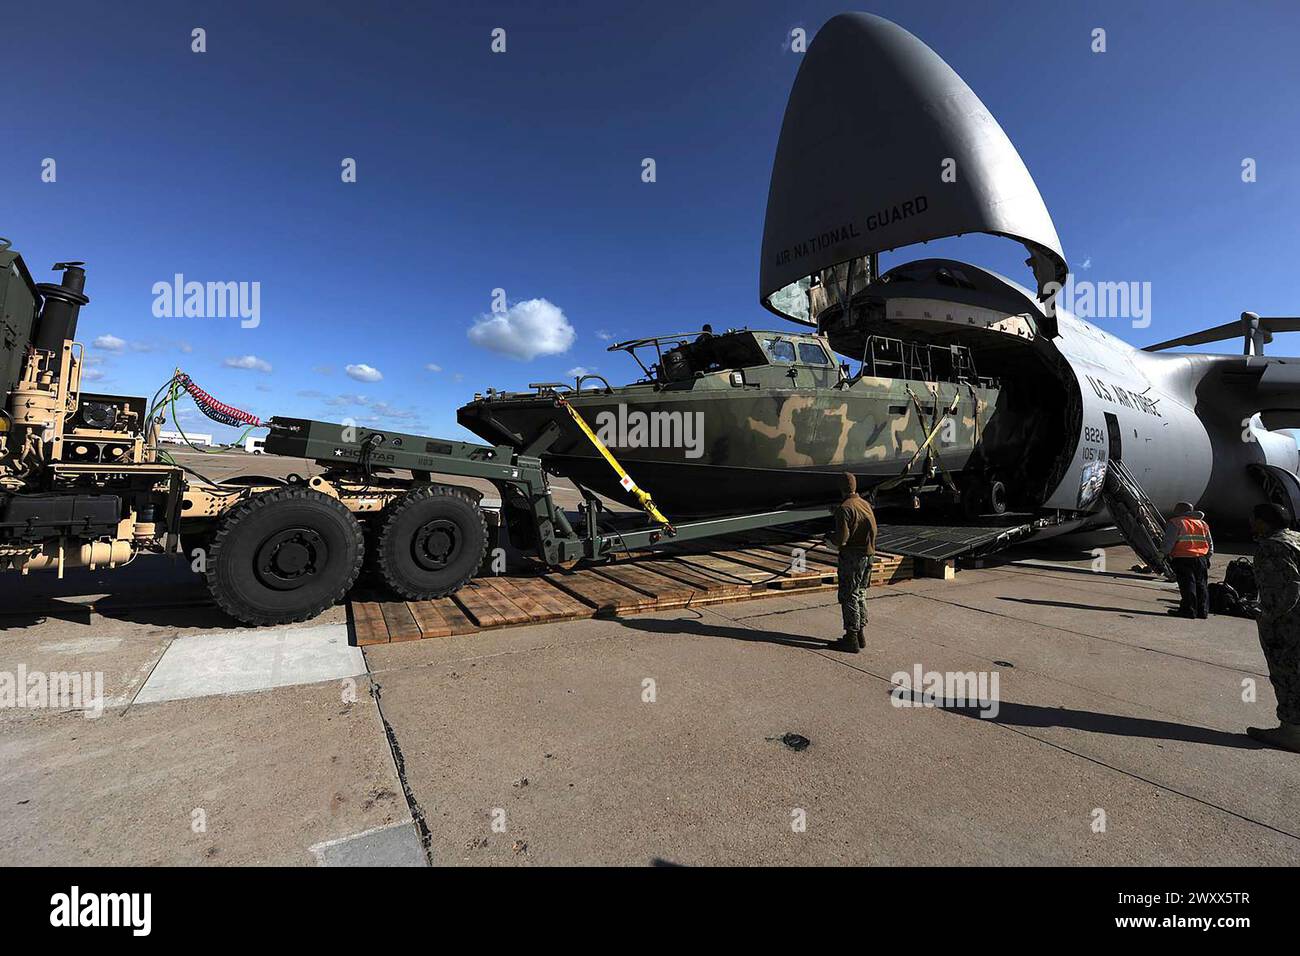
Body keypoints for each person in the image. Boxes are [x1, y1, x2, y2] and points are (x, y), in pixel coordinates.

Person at [1247, 503, 1300, 753]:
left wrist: (1266, 615)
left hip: (1288, 627)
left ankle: (1291, 731)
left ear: (1262, 522)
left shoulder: (1272, 547)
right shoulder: (1296, 539)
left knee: (1288, 674)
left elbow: (1286, 590)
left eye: (1254, 519)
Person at [827, 472, 877, 653]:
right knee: (861, 593)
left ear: (841, 488)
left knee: (849, 595)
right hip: (868, 555)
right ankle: (860, 633)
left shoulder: (845, 508)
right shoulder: (864, 504)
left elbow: (842, 538)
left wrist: (830, 539)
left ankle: (851, 638)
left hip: (853, 558)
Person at [1161, 501, 1212, 618]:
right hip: (1201, 559)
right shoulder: (1202, 523)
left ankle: (1188, 610)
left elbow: (1169, 542)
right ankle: (1202, 611)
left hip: (1183, 558)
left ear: (1179, 511)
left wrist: (1162, 554)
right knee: (1202, 585)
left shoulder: (1177, 523)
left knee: (1188, 585)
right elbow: (1210, 543)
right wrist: (1207, 557)